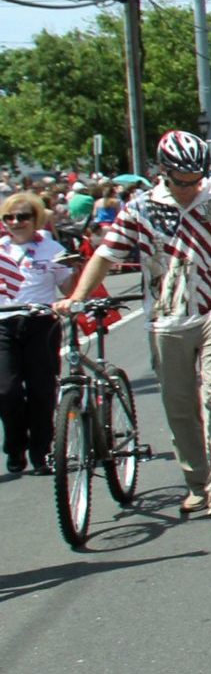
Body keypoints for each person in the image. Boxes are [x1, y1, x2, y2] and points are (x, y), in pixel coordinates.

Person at [58, 130, 211, 518]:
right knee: (179, 404)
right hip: (165, 316)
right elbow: (105, 255)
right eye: (180, 182)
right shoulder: (140, 208)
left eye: (195, 181)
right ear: (164, 172)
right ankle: (197, 482)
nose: (189, 189)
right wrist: (77, 297)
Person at [1, 191, 77, 475]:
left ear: (35, 219)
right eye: (9, 217)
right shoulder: (1, 248)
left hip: (41, 322)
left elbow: (68, 288)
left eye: (22, 216)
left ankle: (42, 451)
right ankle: (15, 446)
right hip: (4, 323)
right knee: (6, 390)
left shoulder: (51, 248)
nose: (15, 222)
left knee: (41, 390)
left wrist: (75, 269)